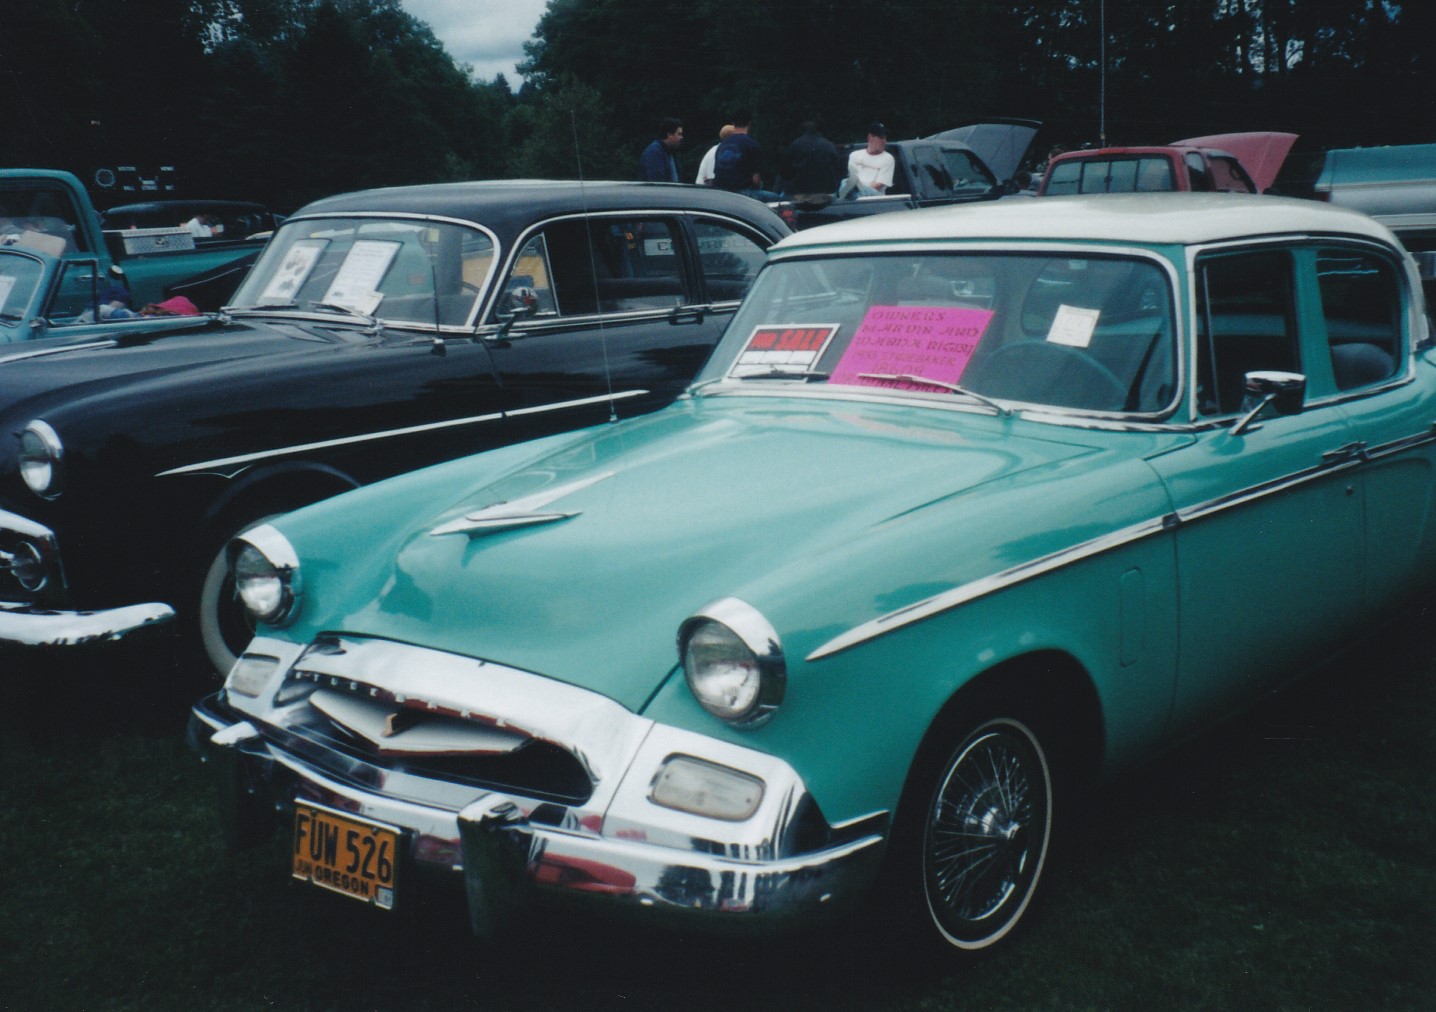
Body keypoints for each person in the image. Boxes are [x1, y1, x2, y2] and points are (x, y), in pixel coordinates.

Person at [713, 110, 782, 201]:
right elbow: (756, 179)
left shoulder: (722, 145)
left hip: (721, 190)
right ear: (749, 123)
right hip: (742, 192)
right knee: (779, 199)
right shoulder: (752, 145)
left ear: (733, 123)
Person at [778, 120, 844, 202]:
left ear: (802, 131)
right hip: (826, 194)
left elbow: (784, 171)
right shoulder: (829, 145)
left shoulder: (796, 144)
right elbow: (839, 169)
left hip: (800, 193)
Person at [840, 122, 896, 199]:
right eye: (880, 137)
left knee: (852, 190)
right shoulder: (854, 155)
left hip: (875, 197)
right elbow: (852, 179)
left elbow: (878, 186)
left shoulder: (888, 158)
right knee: (844, 182)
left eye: (885, 137)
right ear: (870, 137)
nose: (884, 141)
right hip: (855, 193)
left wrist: (858, 185)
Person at [638, 117, 684, 182]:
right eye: (679, 134)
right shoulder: (654, 152)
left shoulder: (670, 152)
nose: (681, 137)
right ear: (670, 134)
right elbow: (657, 183)